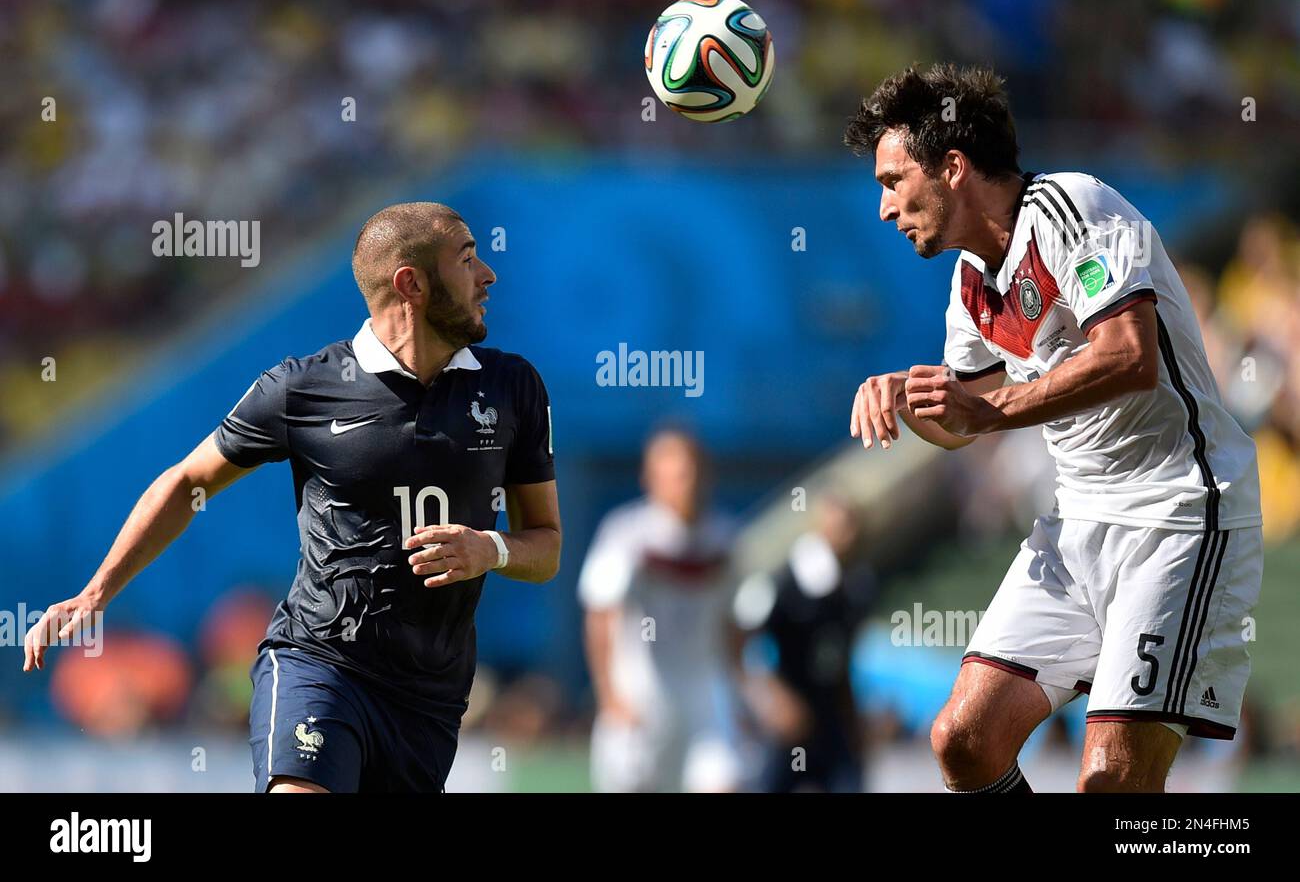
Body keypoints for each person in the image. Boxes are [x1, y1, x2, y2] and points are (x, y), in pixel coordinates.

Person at [23, 202, 562, 793]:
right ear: (410, 284)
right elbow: (185, 483)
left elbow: (546, 547)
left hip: (429, 697)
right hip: (318, 660)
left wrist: (491, 548)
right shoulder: (303, 387)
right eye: (466, 259)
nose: (488, 274)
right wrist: (97, 591)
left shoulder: (513, 388)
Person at [844, 64, 1262, 793]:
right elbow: (965, 419)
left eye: (891, 181)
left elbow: (1128, 357)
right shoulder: (971, 279)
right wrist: (912, 399)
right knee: (963, 741)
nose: (885, 208)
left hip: (1179, 511)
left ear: (952, 166)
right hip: (1077, 523)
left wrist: (988, 409)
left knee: (1112, 781)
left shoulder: (1073, 206)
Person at [578, 427, 744, 792]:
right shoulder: (625, 534)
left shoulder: (727, 538)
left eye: (694, 471)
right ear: (650, 477)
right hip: (641, 701)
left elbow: (736, 623)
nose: (688, 482)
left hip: (705, 699)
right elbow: (600, 615)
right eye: (677, 472)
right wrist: (611, 698)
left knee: (726, 782)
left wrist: (740, 692)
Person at [735, 494, 874, 792]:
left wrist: (853, 718)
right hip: (789, 723)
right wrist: (773, 700)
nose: (846, 536)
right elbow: (744, 643)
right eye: (838, 527)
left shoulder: (855, 589)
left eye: (850, 527)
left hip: (830, 720)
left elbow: (839, 660)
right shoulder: (783, 584)